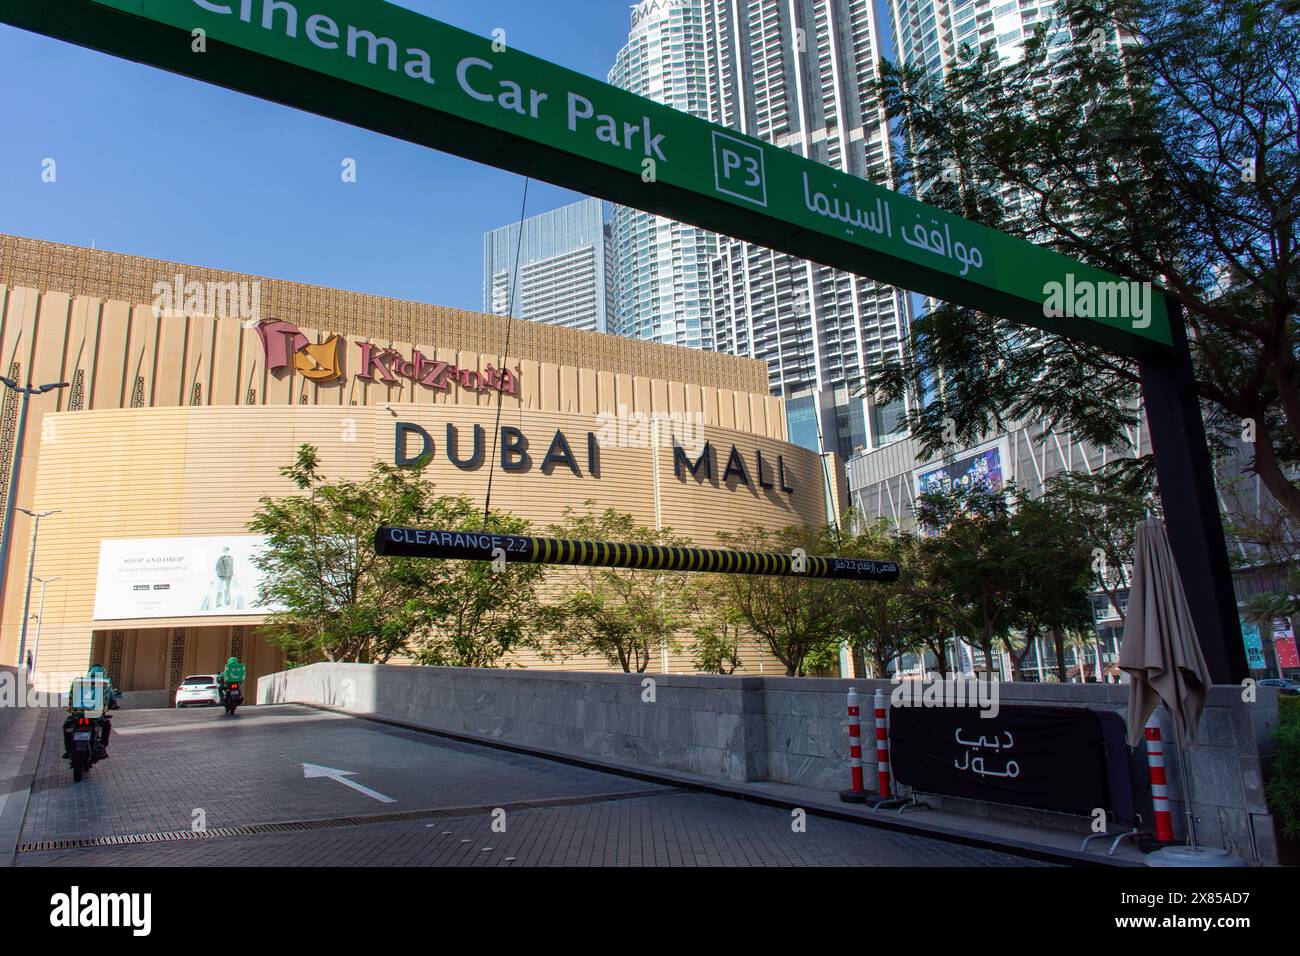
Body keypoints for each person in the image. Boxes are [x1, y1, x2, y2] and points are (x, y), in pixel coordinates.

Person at [62, 667, 113, 760]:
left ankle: (68, 750)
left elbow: (72, 696)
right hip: (95, 716)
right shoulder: (105, 684)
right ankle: (102, 746)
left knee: (66, 727)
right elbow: (111, 699)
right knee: (107, 724)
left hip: (78, 714)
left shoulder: (81, 683)